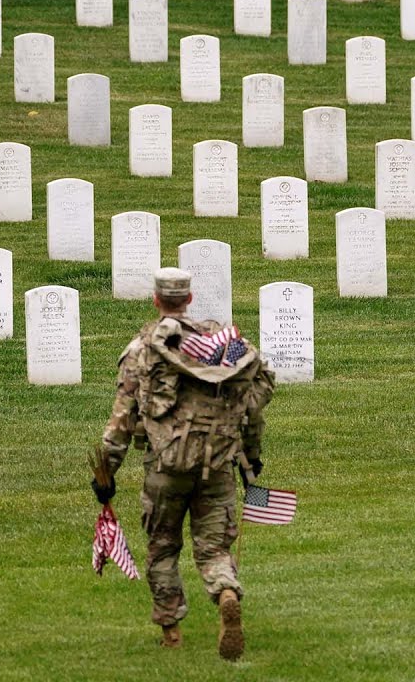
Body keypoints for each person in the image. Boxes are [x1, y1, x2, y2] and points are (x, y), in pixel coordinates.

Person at [95, 268, 275, 661]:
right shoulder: (219, 349)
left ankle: (171, 631)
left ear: (156, 301)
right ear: (189, 300)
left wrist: (107, 471)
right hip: (218, 463)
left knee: (162, 548)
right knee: (214, 548)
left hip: (165, 468)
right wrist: (253, 459)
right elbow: (250, 410)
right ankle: (225, 591)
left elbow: (122, 419)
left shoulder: (142, 350)